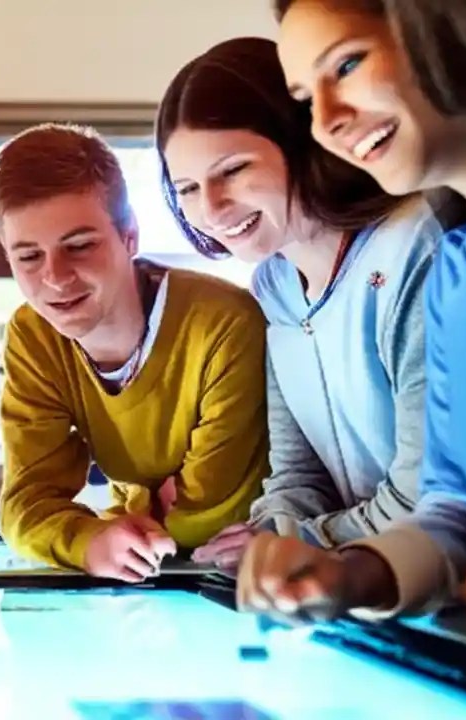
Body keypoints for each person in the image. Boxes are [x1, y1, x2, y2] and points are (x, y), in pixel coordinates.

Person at [240, 0, 466, 627]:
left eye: (347, 65)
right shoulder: (457, 275)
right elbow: (454, 514)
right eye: (306, 100)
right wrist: (346, 572)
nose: (326, 122)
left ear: (448, 27)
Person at [156, 36, 439, 573]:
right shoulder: (274, 289)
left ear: (300, 140)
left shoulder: (415, 244)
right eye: (187, 187)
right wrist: (267, 531)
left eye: (233, 170)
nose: (211, 208)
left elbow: (424, 496)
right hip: (363, 583)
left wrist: (301, 540)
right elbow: (297, 477)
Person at [0, 123, 270, 582]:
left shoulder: (223, 323)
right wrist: (91, 541)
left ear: (129, 236)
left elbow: (214, 516)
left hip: (247, 570)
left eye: (79, 246)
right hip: (147, 573)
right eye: (28, 257)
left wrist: (120, 515)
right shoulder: (33, 334)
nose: (56, 278)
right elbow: (23, 505)